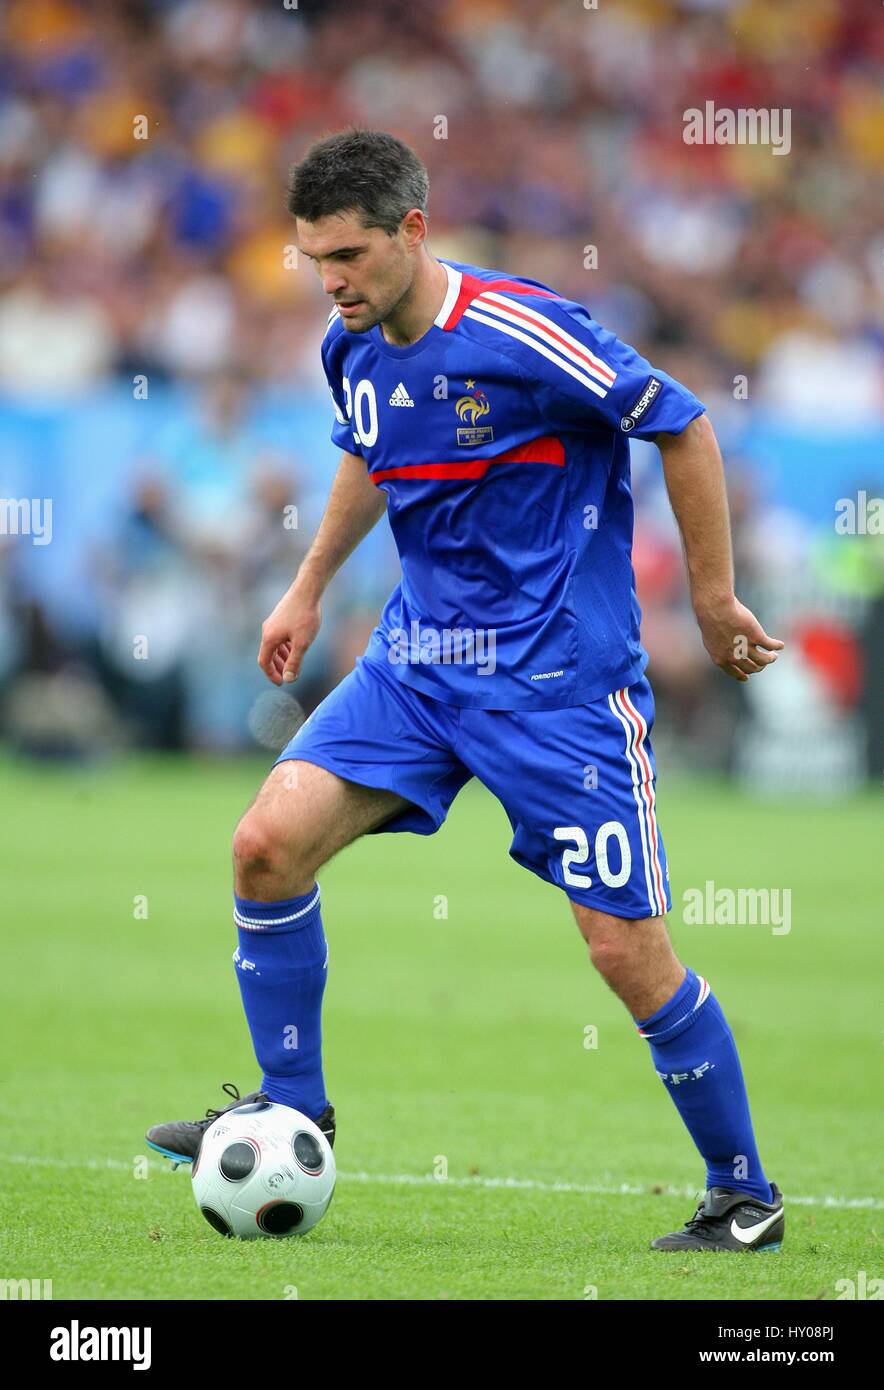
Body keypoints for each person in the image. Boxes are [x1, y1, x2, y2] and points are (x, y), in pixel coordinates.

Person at [147, 130, 786, 1253]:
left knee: (622, 950)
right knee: (262, 846)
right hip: (416, 667)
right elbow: (367, 451)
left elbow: (679, 422)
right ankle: (290, 1101)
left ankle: (743, 1193)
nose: (329, 279)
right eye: (310, 259)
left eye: (346, 253)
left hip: (556, 687)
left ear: (411, 230)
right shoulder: (347, 347)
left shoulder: (519, 329)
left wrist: (712, 599)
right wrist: (305, 589)